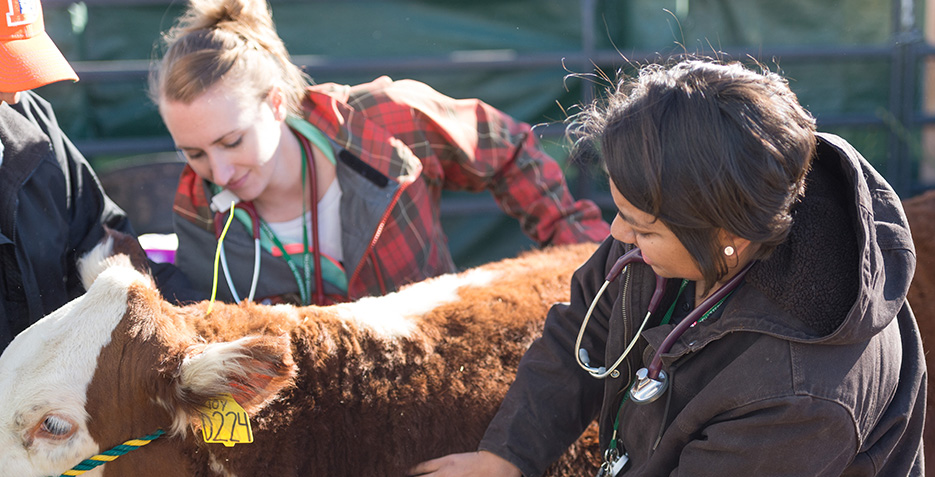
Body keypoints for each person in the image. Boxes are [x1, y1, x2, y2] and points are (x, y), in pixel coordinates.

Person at [399, 57, 931, 477]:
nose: (620, 234)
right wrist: (506, 456)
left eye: (642, 226)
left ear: (724, 228)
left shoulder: (801, 390)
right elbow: (588, 324)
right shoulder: (689, 210)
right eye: (622, 210)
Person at [149, 0, 609, 306]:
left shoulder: (389, 120)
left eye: (232, 141)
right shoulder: (197, 208)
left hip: (437, 380)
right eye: (194, 153)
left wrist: (590, 265)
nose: (220, 171)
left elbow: (508, 152)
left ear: (274, 103)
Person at [0, 1, 193, 477]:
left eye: (13, 73)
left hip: (47, 475)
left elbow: (102, 241)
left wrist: (163, 337)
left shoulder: (28, 125)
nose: (11, 92)